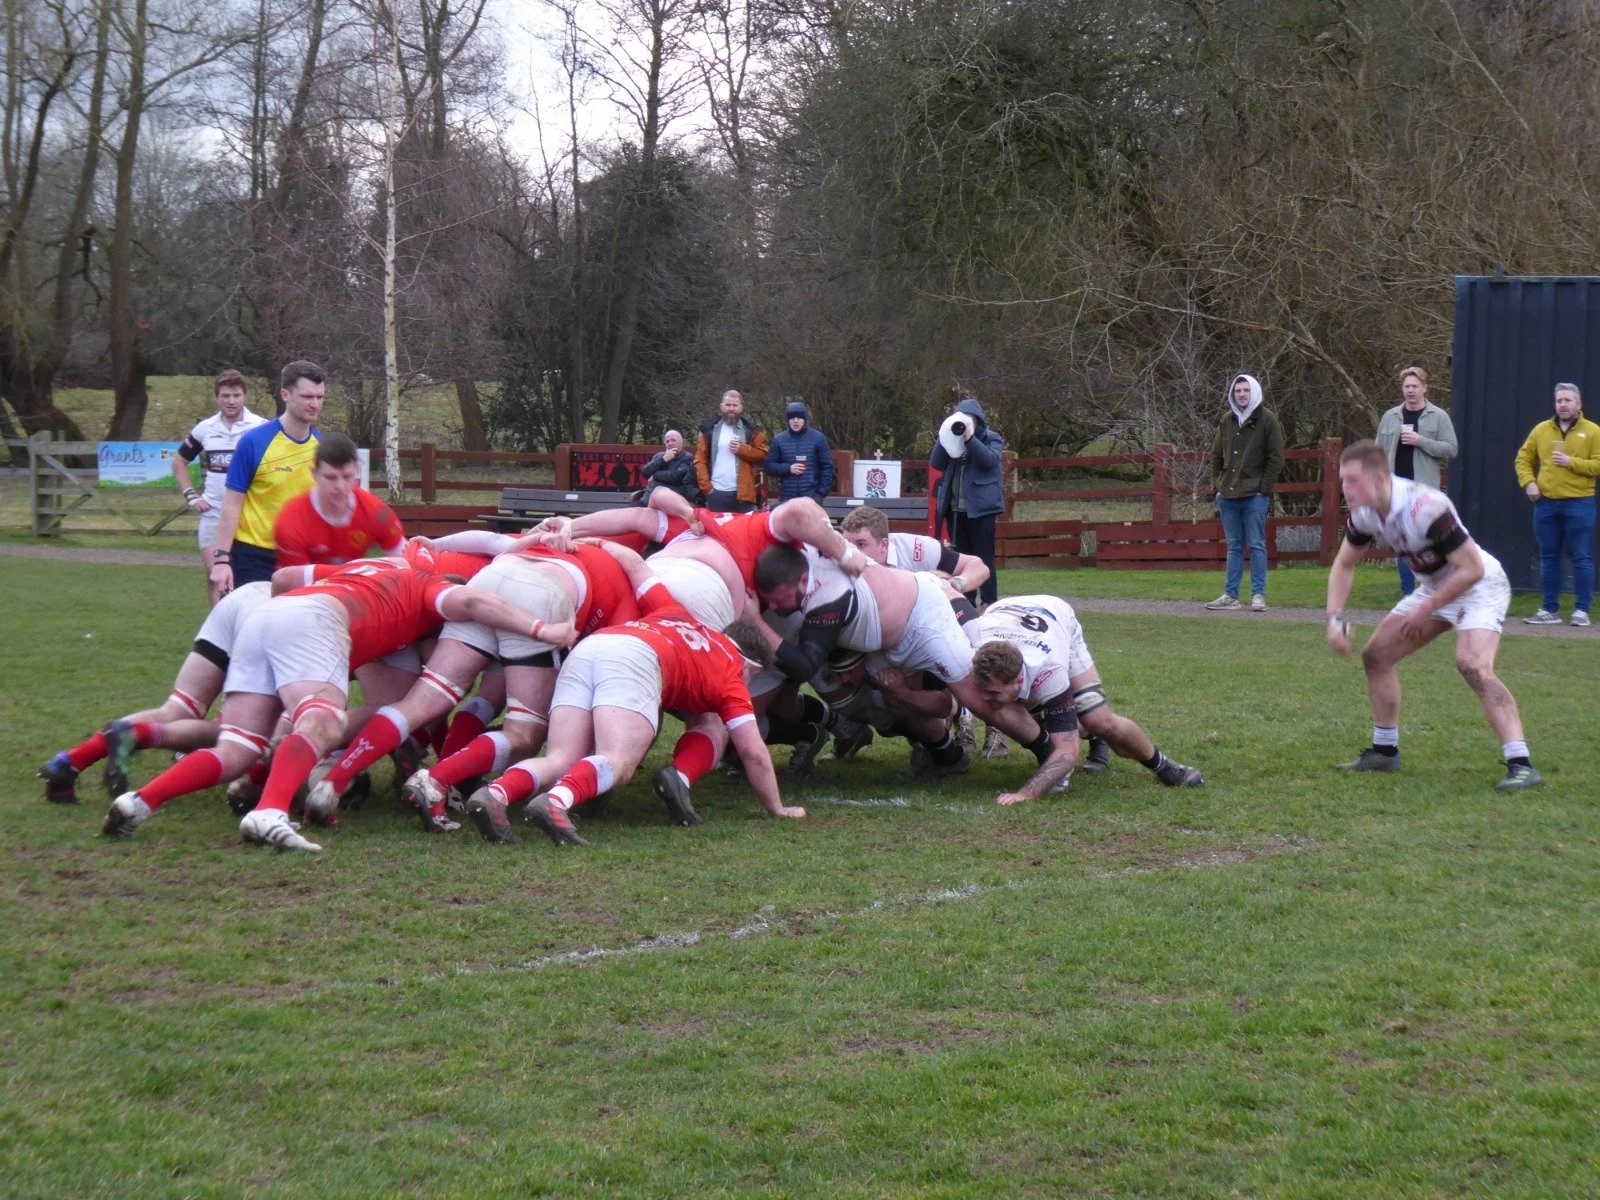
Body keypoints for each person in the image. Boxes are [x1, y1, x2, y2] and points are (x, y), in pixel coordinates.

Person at [102, 558, 574, 849]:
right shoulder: (431, 587)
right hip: (316, 617)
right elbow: (470, 605)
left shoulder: (372, 566)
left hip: (267, 615)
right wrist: (543, 630)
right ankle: (268, 812)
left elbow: (284, 575)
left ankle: (139, 802)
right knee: (323, 723)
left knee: (239, 750)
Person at [466, 554, 803, 846]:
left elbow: (638, 568)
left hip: (595, 645)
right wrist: (777, 807)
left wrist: (597, 543)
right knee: (619, 761)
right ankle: (556, 800)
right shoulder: (733, 672)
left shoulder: (681, 615)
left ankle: (496, 794)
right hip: (635, 660)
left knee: (560, 757)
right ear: (750, 666)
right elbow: (753, 752)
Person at [1325, 439, 1541, 790]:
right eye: (1343, 480)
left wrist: (1426, 608)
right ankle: (1384, 752)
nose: (1345, 489)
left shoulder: (1425, 507)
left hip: (1480, 586)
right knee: (1376, 656)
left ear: (1380, 479)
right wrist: (1336, 618)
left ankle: (1521, 764)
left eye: (1353, 480)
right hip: (1435, 589)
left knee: (1472, 665)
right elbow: (1344, 564)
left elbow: (1471, 569)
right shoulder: (1364, 514)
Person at [38, 581, 273, 805]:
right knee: (242, 733)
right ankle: (258, 791)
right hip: (277, 620)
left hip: (248, 597)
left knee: (179, 708)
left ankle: (69, 761)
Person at [965, 596, 1204, 804]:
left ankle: (1163, 766)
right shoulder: (968, 650)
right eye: (981, 688)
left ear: (1019, 679)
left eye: (993, 691)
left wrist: (1027, 794)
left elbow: (1068, 750)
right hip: (1005, 614)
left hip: (1057, 618)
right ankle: (1055, 749)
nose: (984, 698)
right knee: (1017, 709)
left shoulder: (1050, 671)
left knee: (1097, 718)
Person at [208, 360, 326, 594]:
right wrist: (221, 559)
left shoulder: (322, 447)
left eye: (320, 397)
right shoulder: (254, 442)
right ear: (286, 395)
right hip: (253, 556)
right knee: (249, 628)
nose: (315, 404)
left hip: (301, 559)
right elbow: (231, 504)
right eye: (307, 397)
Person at [173, 369, 268, 603]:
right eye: (225, 396)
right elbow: (179, 462)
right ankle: (217, 636)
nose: (231, 401)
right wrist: (191, 496)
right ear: (217, 398)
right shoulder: (206, 428)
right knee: (216, 577)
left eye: (236, 395)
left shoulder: (260, 427)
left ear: (244, 396)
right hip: (213, 513)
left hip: (249, 514)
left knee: (245, 580)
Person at [1514, 382, 1598, 627]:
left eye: (1568, 400)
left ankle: (1582, 611)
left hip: (1580, 504)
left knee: (1581, 557)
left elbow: (1598, 464)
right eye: (1559, 400)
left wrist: (1572, 462)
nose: (1563, 404)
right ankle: (1549, 610)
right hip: (1546, 505)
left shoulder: (1592, 431)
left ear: (1578, 404)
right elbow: (1523, 458)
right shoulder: (1542, 430)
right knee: (1548, 557)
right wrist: (1529, 483)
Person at [1375, 366, 1458, 596]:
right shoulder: (1390, 417)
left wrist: (1421, 441)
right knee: (1402, 544)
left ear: (1425, 389)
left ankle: (1430, 589)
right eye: (1406, 386)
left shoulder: (1439, 417)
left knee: (1426, 541)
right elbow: (1377, 452)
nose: (1410, 391)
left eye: (1414, 386)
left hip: (1424, 491)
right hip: (1396, 491)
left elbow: (1451, 449)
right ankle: (1408, 594)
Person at [1206, 373, 1283, 612]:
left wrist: (1263, 489)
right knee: (1234, 546)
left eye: (1245, 390)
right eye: (1238, 391)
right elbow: (1216, 457)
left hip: (1254, 496)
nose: (1241, 394)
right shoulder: (1226, 421)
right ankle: (1231, 596)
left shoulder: (1268, 420)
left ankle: (1258, 595)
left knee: (1257, 544)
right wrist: (1217, 486)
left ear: (1254, 392)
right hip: (1228, 496)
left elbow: (1276, 458)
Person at [272, 433, 405, 567]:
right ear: (315, 474)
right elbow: (292, 582)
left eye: (347, 477)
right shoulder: (291, 521)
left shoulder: (378, 513)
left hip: (356, 583)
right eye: (330, 478)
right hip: (311, 586)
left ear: (357, 470)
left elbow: (407, 564)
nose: (340, 487)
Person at [929, 394, 1004, 606]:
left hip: (981, 511)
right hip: (956, 510)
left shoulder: (992, 438)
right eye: (962, 418)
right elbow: (937, 463)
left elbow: (990, 461)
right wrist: (945, 437)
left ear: (978, 420)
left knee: (984, 558)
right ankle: (967, 602)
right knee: (962, 561)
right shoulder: (951, 438)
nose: (965, 422)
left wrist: (970, 440)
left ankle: (989, 602)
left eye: (970, 418)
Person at [694, 389, 768, 513]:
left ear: (741, 408)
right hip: (716, 492)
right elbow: (699, 460)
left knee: (743, 531)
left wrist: (743, 449)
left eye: (735, 405)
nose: (731, 408)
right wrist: (707, 488)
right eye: (728, 405)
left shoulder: (751, 430)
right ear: (721, 407)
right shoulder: (709, 430)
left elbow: (763, 455)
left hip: (743, 494)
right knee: (717, 531)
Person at [765, 401, 835, 503]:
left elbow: (827, 467)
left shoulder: (818, 438)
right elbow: (769, 466)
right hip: (787, 498)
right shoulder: (778, 439)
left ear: (805, 419)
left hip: (812, 497)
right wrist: (789, 468)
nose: (795, 421)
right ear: (788, 420)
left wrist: (821, 494)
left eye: (799, 418)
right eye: (792, 418)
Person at [640, 429, 701, 506]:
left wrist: (654, 475)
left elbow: (675, 477)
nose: (670, 443)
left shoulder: (688, 458)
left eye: (673, 440)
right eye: (667, 441)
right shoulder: (659, 456)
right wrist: (663, 459)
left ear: (681, 443)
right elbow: (645, 473)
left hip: (670, 502)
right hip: (647, 499)